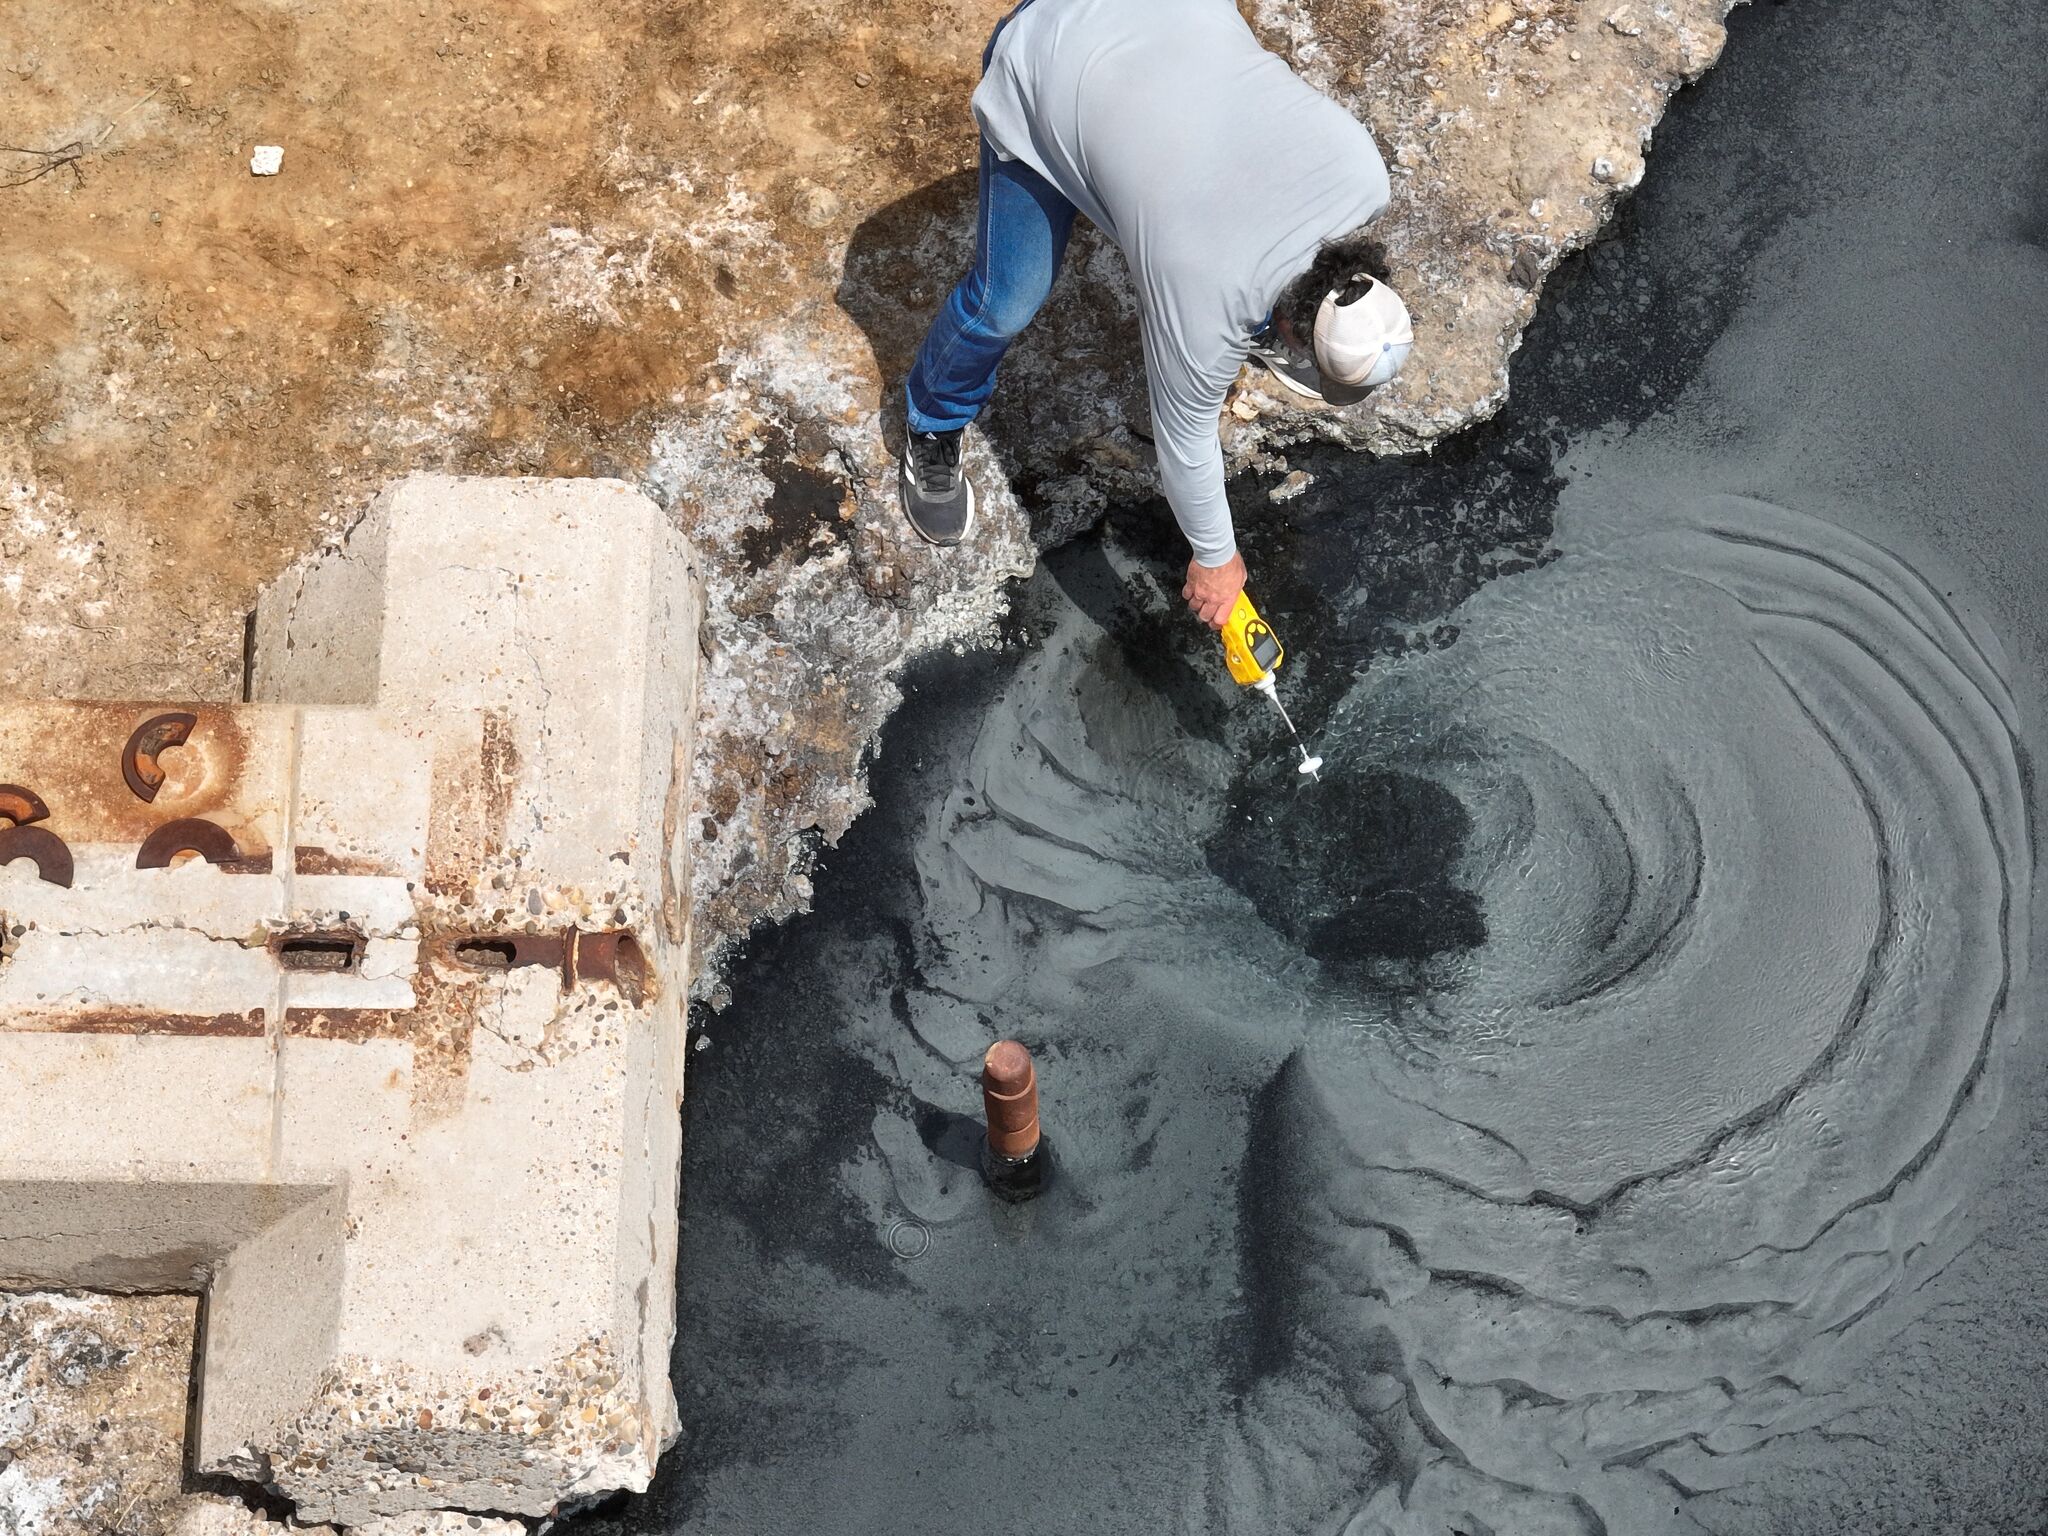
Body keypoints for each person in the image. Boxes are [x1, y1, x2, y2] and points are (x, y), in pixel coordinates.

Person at [896, 0, 1415, 628]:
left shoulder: (1364, 175)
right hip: (1047, 51)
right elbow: (1184, 444)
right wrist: (1216, 560)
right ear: (1290, 327)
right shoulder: (1204, 298)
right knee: (1007, 299)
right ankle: (935, 418)